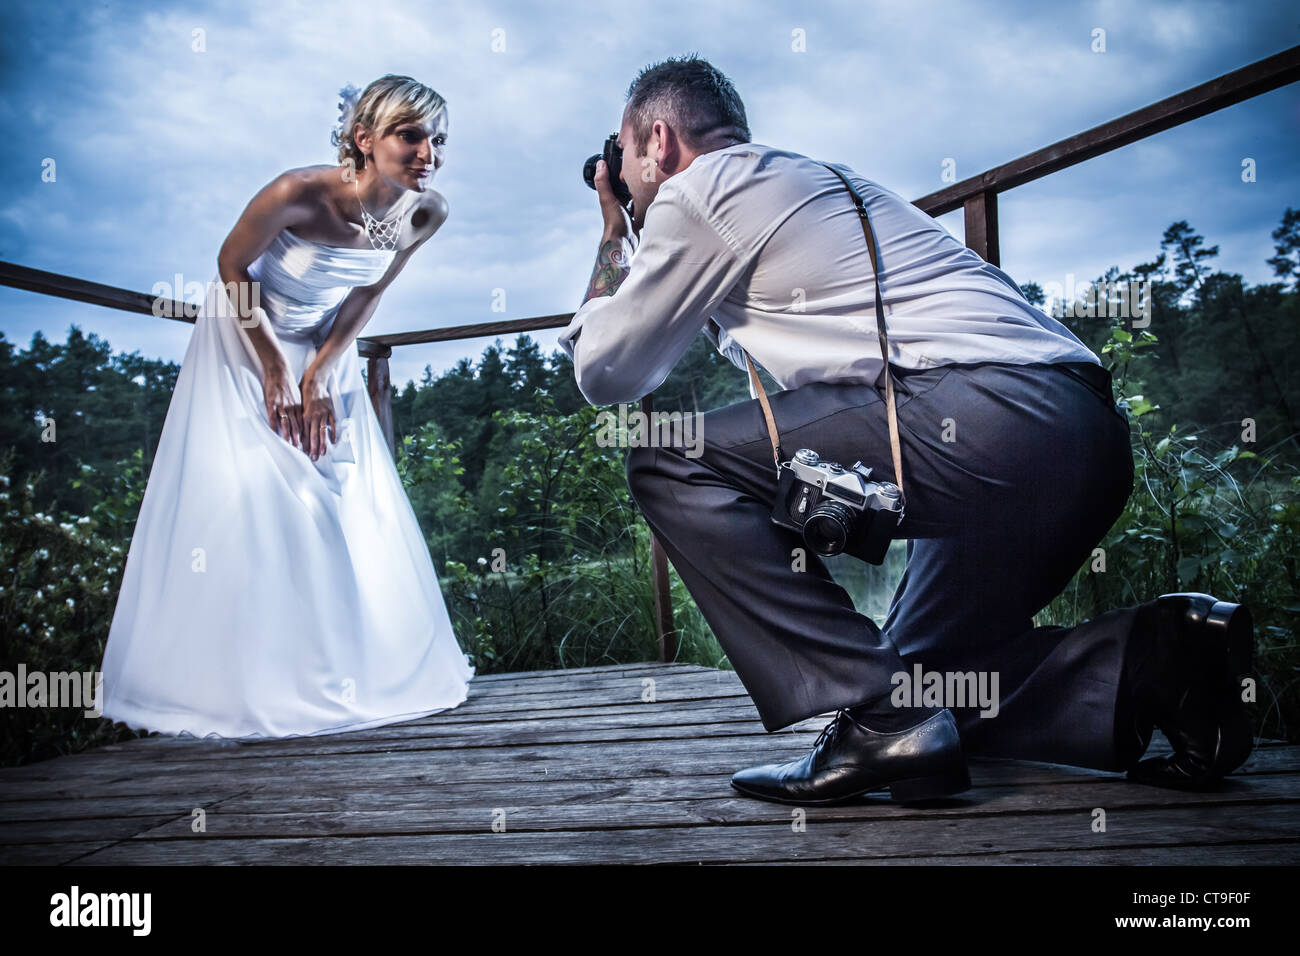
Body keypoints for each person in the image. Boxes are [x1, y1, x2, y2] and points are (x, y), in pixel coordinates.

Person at [559, 55, 1254, 804]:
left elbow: (605, 372)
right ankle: (1160, 659)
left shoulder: (697, 191)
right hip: (1082, 433)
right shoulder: (819, 179)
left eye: (625, 158)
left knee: (668, 458)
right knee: (934, 691)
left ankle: (883, 718)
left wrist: (613, 237)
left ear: (659, 141)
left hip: (990, 421)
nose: (626, 180)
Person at [99, 74, 475, 738]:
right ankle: (238, 683)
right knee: (263, 494)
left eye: (438, 139)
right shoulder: (295, 193)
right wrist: (274, 365)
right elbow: (230, 266)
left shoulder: (427, 211)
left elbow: (367, 295)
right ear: (365, 139)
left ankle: (346, 669)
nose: (430, 154)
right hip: (248, 337)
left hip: (324, 348)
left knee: (343, 496)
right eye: (411, 135)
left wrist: (322, 371)